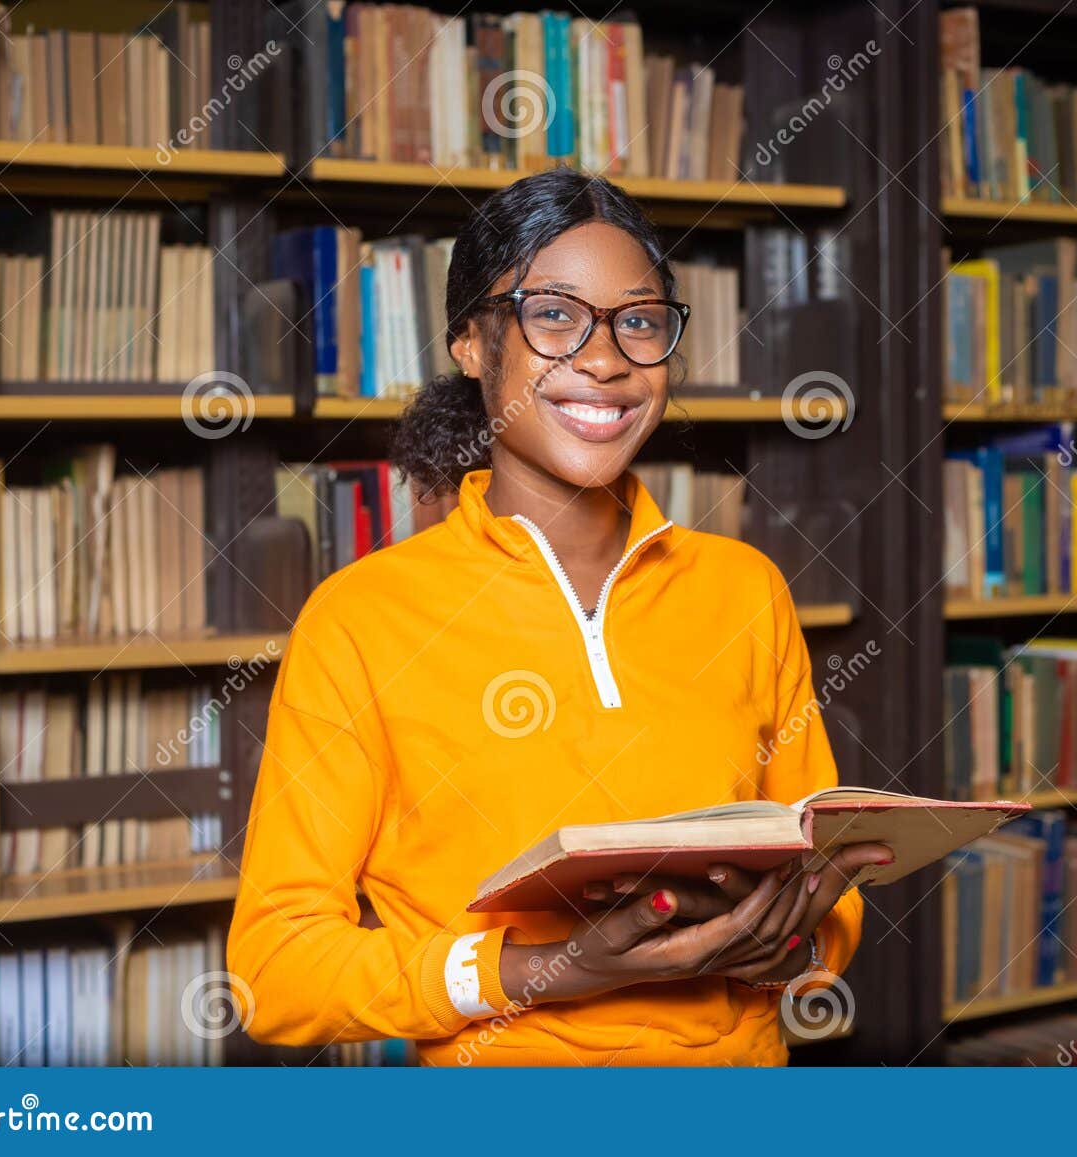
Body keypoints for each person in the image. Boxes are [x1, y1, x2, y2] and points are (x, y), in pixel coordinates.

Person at [226, 167, 890, 1066]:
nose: (606, 357)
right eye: (554, 315)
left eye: (640, 320)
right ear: (472, 342)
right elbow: (276, 971)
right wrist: (542, 968)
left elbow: (824, 881)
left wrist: (792, 946)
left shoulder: (746, 589)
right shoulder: (360, 619)